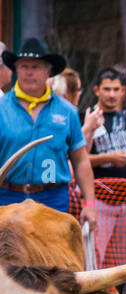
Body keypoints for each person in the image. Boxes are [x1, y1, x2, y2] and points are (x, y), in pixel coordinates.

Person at [0, 38, 96, 226]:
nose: (29, 72)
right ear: (15, 70)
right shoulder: (1, 108)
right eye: (23, 66)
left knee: (52, 256)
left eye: (35, 67)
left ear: (48, 71)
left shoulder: (67, 112)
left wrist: (90, 204)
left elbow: (81, 160)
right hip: (7, 198)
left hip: (52, 200)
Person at [83, 68, 126, 266]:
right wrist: (108, 157)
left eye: (116, 89)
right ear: (97, 90)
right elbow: (77, 159)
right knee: (96, 261)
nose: (112, 94)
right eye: (107, 89)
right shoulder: (87, 117)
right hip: (100, 201)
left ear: (122, 91)